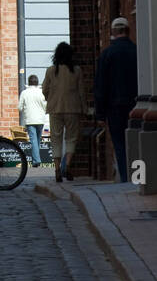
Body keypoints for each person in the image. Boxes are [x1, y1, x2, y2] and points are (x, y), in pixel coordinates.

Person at [94, 17, 139, 183]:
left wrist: (100, 114)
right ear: (128, 31)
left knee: (119, 144)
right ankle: (137, 178)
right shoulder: (137, 51)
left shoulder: (107, 54)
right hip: (137, 104)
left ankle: (126, 178)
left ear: (113, 32)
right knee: (136, 143)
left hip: (114, 107)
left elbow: (101, 86)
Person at [42, 42, 86, 182]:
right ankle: (66, 165)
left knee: (56, 138)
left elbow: (44, 90)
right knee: (71, 138)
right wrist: (84, 108)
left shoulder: (51, 70)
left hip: (55, 108)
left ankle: (56, 169)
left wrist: (51, 98)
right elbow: (81, 92)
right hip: (72, 108)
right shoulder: (76, 70)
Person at [18, 75, 47, 167]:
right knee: (37, 140)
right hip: (40, 119)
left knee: (34, 140)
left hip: (30, 119)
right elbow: (46, 105)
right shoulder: (41, 92)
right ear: (37, 82)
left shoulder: (24, 93)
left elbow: (19, 107)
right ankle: (36, 159)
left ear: (29, 82)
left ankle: (36, 160)